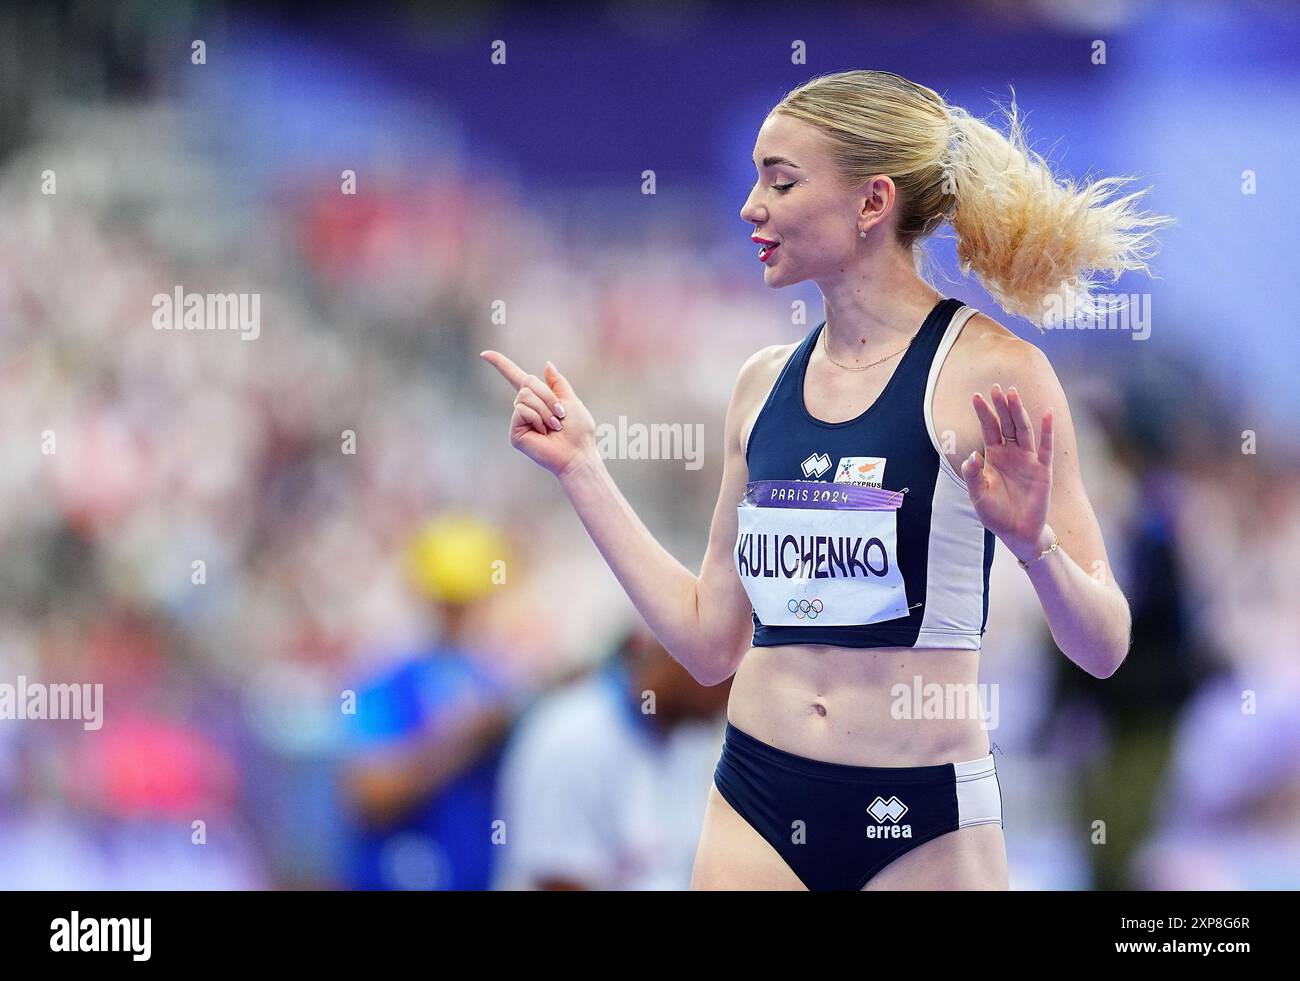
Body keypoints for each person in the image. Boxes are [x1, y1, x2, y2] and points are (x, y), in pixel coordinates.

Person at [481, 69, 1170, 890]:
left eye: (781, 179)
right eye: (754, 177)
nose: (750, 205)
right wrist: (584, 470)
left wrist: (1034, 546)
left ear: (872, 203)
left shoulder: (994, 372)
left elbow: (1103, 647)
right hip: (758, 799)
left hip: (926, 817)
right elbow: (708, 643)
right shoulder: (761, 386)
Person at [338, 514, 518, 890]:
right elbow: (369, 794)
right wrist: (461, 740)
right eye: (449, 601)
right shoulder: (386, 682)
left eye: (467, 600)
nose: (458, 614)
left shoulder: (503, 683)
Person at [493, 624, 730, 890]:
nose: (734, 695)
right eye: (729, 676)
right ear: (679, 657)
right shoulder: (573, 735)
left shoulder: (690, 739)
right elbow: (558, 880)